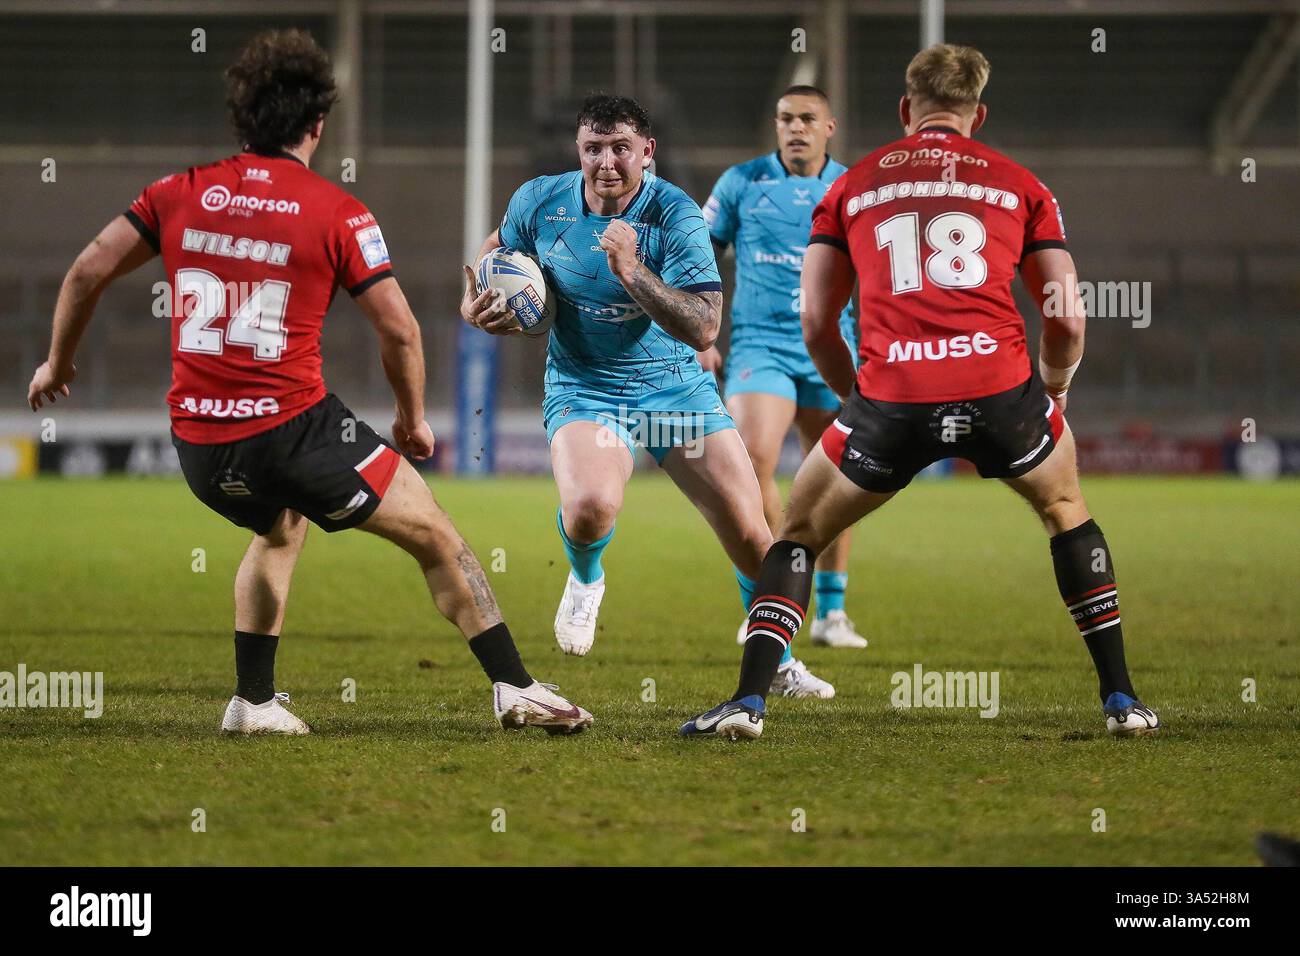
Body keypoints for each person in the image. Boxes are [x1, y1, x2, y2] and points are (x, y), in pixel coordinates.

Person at [27, 29, 592, 736]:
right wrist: (412, 419)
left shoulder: (177, 192)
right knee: (438, 539)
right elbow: (400, 330)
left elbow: (86, 271)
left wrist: (58, 362)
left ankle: (253, 703)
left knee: (278, 527)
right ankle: (515, 687)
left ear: (242, 116)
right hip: (293, 429)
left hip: (201, 443)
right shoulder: (336, 212)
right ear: (318, 124)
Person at [682, 44, 1159, 740]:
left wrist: (857, 399)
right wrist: (1051, 392)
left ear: (906, 111)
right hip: (1000, 391)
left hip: (894, 396)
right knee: (1065, 510)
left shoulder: (853, 186)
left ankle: (749, 703)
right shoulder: (1022, 184)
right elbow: (1065, 313)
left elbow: (816, 321)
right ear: (977, 115)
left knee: (798, 534)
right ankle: (1123, 702)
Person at [460, 93, 834, 698]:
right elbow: (493, 249)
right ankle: (585, 580)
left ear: (646, 152)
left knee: (752, 535)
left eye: (620, 149)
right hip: (586, 384)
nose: (606, 162)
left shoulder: (676, 215)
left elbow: (706, 325)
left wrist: (633, 272)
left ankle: (779, 658)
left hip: (674, 389)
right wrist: (473, 301)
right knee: (589, 509)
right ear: (578, 150)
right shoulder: (539, 200)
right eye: (593, 149)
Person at [698, 85, 866, 654]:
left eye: (807, 119)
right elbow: (698, 255)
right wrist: (699, 334)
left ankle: (832, 611)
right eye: (785, 118)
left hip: (831, 346)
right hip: (758, 346)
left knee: (842, 474)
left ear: (829, 127)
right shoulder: (741, 183)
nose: (795, 128)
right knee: (754, 458)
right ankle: (772, 598)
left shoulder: (851, 187)